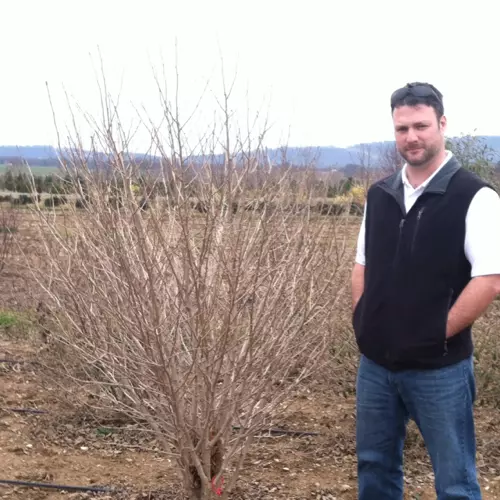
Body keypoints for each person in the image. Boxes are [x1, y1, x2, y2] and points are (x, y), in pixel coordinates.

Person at [351, 81, 500, 500]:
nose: (411, 137)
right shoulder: (380, 195)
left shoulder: (476, 197)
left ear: (442, 123)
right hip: (376, 366)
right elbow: (362, 264)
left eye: (421, 126)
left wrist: (435, 334)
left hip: (441, 369)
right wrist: (364, 322)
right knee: (375, 469)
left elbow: (489, 280)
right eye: (402, 129)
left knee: (454, 480)